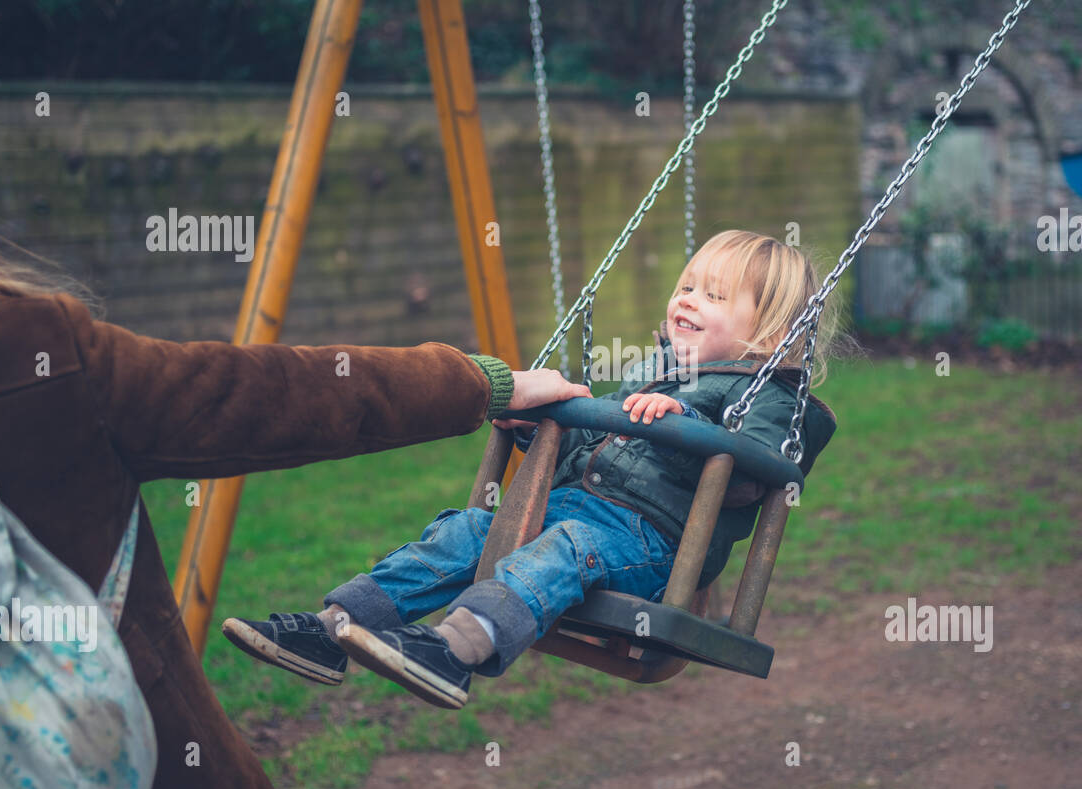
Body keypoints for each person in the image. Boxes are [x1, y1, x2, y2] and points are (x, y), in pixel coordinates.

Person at [0, 237, 589, 789]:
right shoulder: (26, 350)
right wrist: (481, 385)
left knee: (513, 539)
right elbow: (256, 393)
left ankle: (423, 639)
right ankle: (349, 628)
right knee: (462, 534)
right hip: (120, 770)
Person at [226, 230, 837, 709]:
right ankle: (334, 627)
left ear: (777, 334)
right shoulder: (654, 372)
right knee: (467, 530)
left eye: (715, 295)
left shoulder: (774, 398)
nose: (686, 300)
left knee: (565, 545)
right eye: (686, 286)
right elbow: (591, 452)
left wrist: (686, 427)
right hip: (569, 512)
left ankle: (454, 651)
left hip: (646, 548)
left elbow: (754, 475)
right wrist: (537, 436)